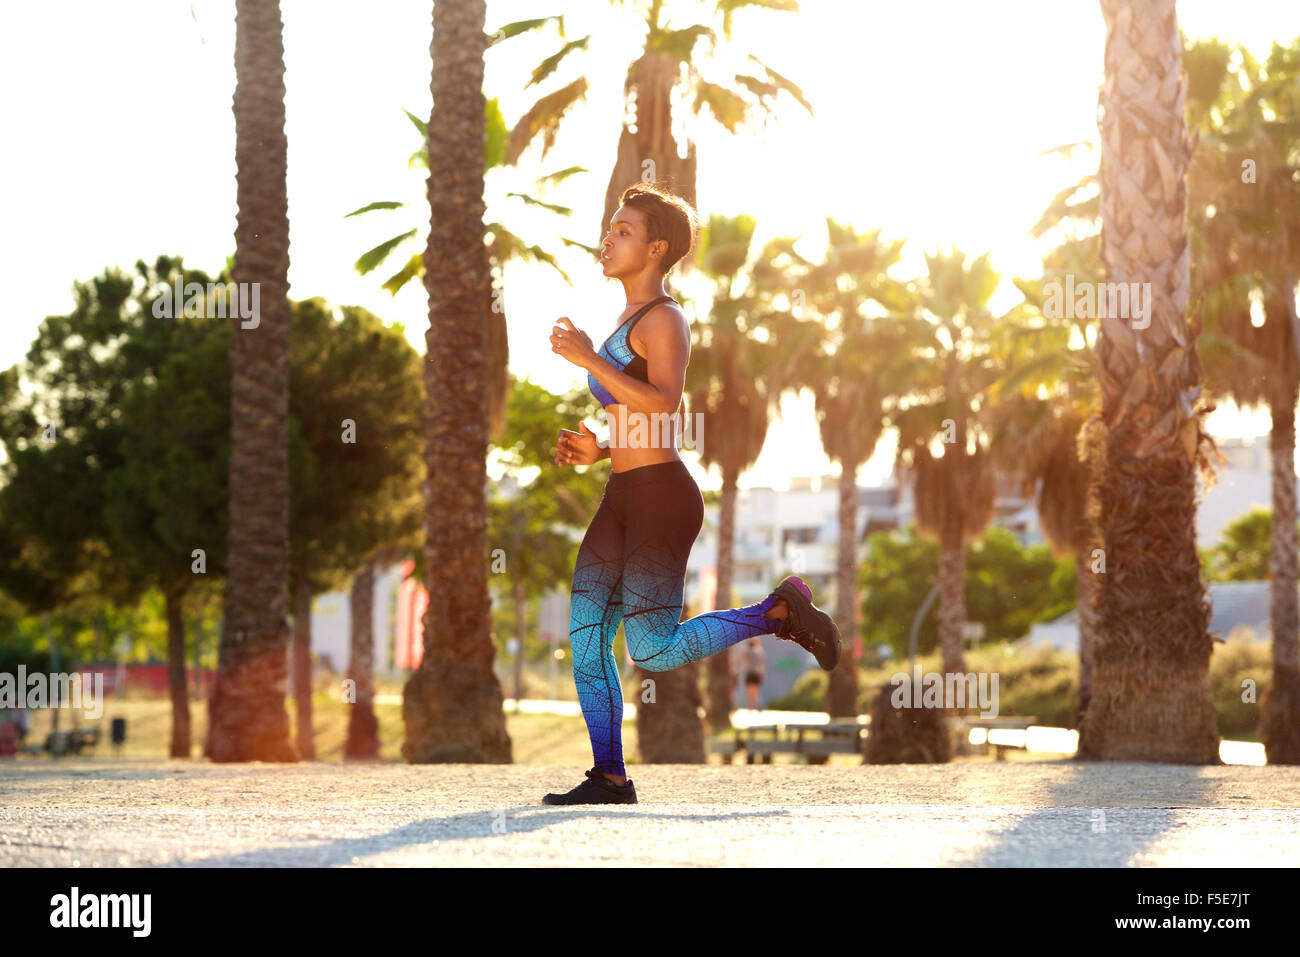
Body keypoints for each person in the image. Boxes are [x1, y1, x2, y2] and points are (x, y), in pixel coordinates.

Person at [544, 182, 840, 805]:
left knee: (650, 649)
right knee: (586, 629)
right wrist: (597, 448)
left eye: (623, 231)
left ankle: (776, 614)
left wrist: (587, 362)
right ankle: (609, 776)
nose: (608, 237)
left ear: (655, 249)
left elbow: (664, 402)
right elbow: (634, 413)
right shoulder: (626, 320)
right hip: (622, 491)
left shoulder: (664, 318)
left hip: (661, 498)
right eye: (611, 226)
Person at [733, 637, 766, 710]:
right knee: (755, 691)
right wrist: (762, 674)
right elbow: (761, 665)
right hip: (756, 673)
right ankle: (756, 705)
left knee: (748, 691)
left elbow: (739, 659)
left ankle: (749, 706)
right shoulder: (759, 653)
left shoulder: (746, 652)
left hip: (749, 673)